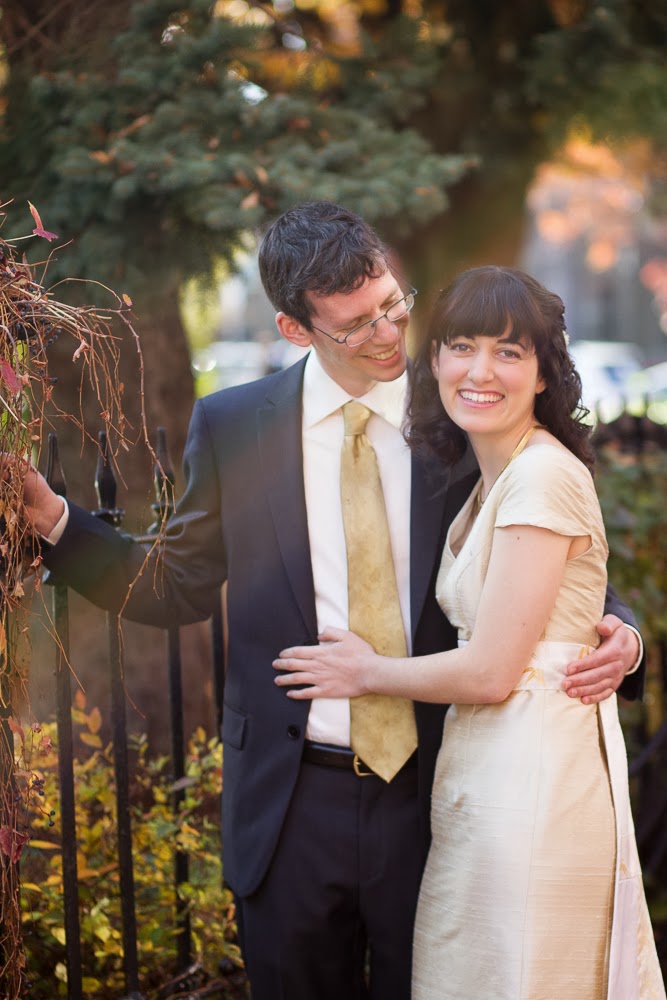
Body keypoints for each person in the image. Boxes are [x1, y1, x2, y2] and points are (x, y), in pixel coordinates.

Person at [22, 208, 645, 1000]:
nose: (389, 334)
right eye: (356, 325)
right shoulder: (235, 425)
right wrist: (55, 524)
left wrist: (619, 629)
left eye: (393, 304)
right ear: (294, 327)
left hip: (436, 793)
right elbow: (175, 586)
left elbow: (538, 540)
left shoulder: (458, 411)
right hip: (290, 804)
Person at [273, 265, 665, 999]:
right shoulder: (476, 468)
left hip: (534, 783)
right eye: (460, 346)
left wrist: (366, 672)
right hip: (477, 780)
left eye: (509, 352)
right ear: (436, 358)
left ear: (545, 373)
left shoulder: (538, 474)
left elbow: (493, 667)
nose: (479, 371)